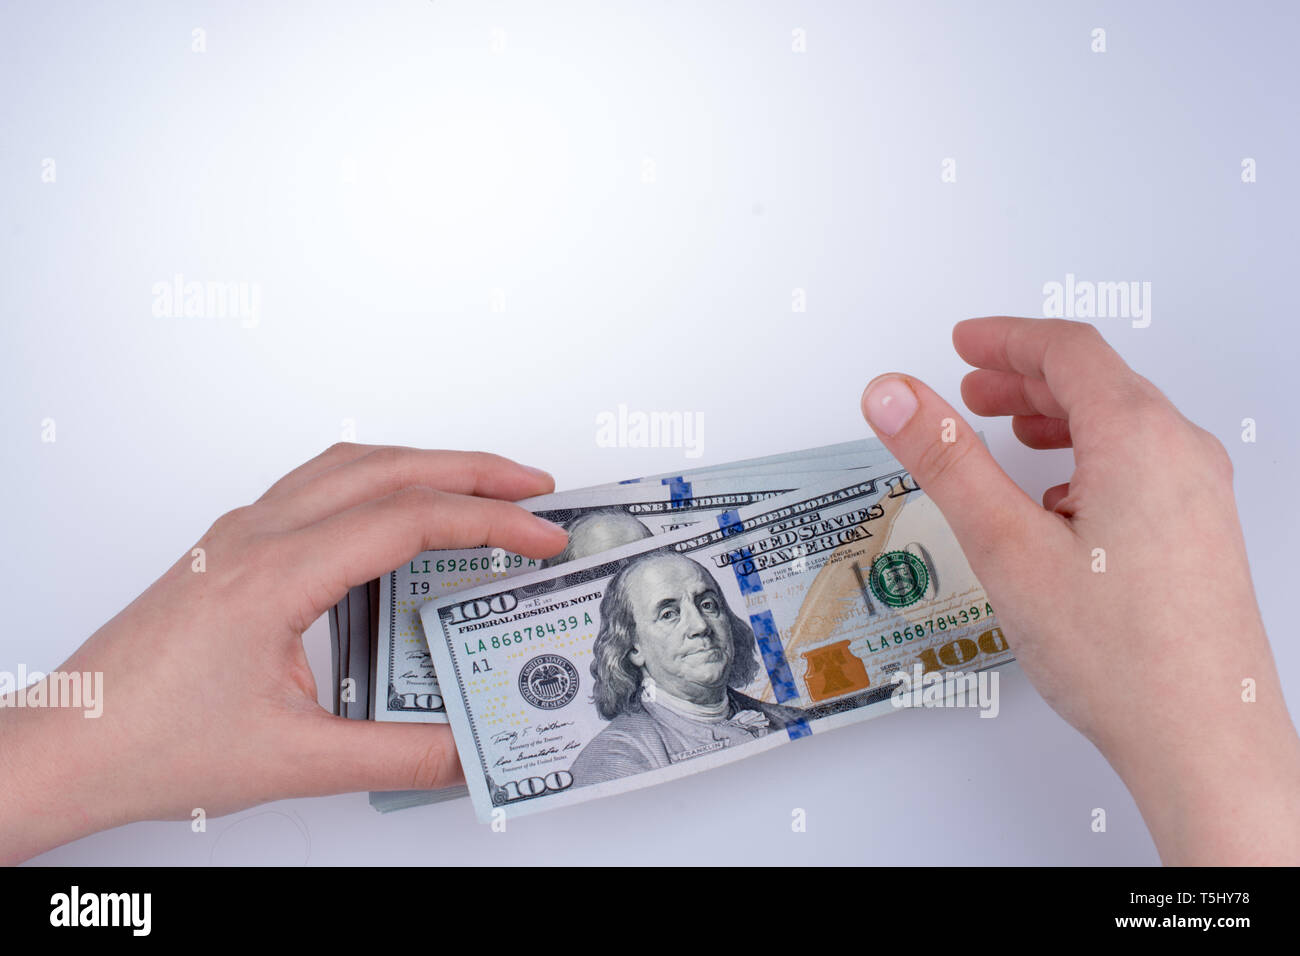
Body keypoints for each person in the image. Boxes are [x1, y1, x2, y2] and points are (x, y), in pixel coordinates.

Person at [1, 317, 1297, 865]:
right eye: (660, 607)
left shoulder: (748, 698)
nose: (701, 619)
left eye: (702, 602)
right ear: (615, 639)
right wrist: (1225, 768)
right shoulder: (621, 740)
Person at [568, 552, 806, 786]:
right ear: (633, 648)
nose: (700, 625)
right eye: (669, 614)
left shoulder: (792, 720)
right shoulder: (612, 761)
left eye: (708, 605)